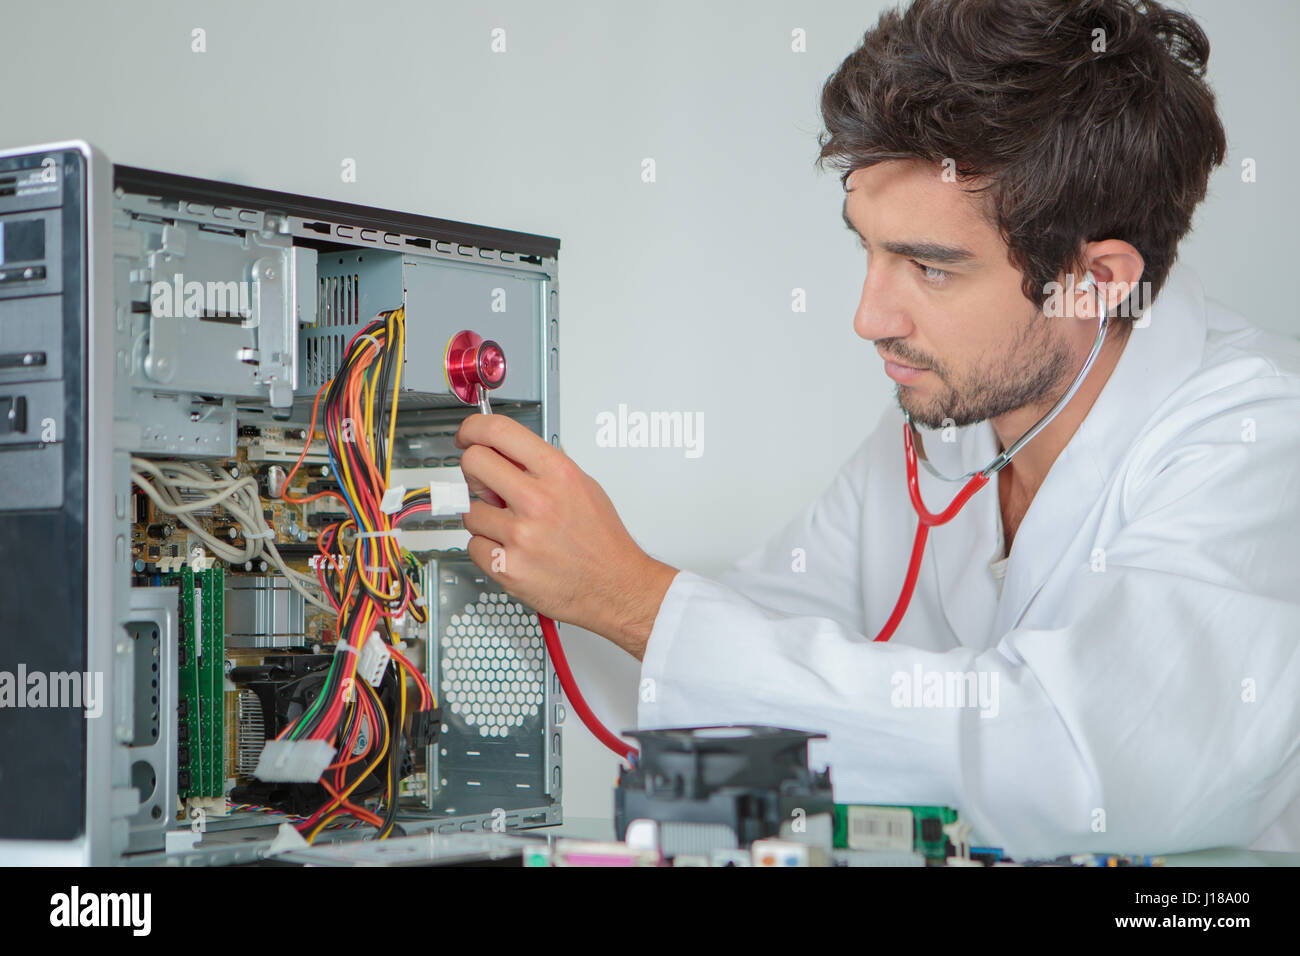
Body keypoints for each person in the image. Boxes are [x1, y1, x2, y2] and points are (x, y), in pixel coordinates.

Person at [451, 0, 1300, 859]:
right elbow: (755, 643)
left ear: (1096, 281)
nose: (867, 316)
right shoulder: (951, 434)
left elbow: (1085, 767)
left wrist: (633, 598)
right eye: (869, 248)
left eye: (929, 267)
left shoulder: (1257, 442)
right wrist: (534, 573)